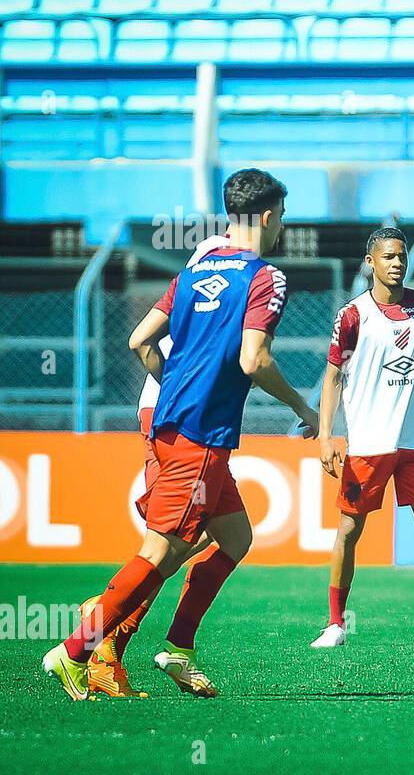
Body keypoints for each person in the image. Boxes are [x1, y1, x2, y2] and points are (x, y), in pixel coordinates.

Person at [42, 168, 320, 701]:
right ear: (267, 215)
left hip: (174, 424)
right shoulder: (265, 277)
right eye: (282, 215)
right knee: (161, 553)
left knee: (235, 538)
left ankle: (178, 648)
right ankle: (77, 650)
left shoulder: (192, 272)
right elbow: (253, 358)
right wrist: (301, 405)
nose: (282, 224)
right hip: (200, 433)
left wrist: (175, 385)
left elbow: (139, 340)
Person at [79, 232, 230, 698]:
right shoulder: (208, 286)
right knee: (169, 542)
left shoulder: (203, 289)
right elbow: (144, 344)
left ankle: (152, 641)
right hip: (171, 421)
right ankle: (103, 639)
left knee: (215, 533)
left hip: (190, 422)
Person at [312, 226, 414, 649]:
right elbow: (333, 376)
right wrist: (326, 433)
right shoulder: (353, 315)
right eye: (388, 256)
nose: (397, 263)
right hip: (369, 442)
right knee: (350, 529)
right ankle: (335, 623)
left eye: (401, 256)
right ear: (371, 262)